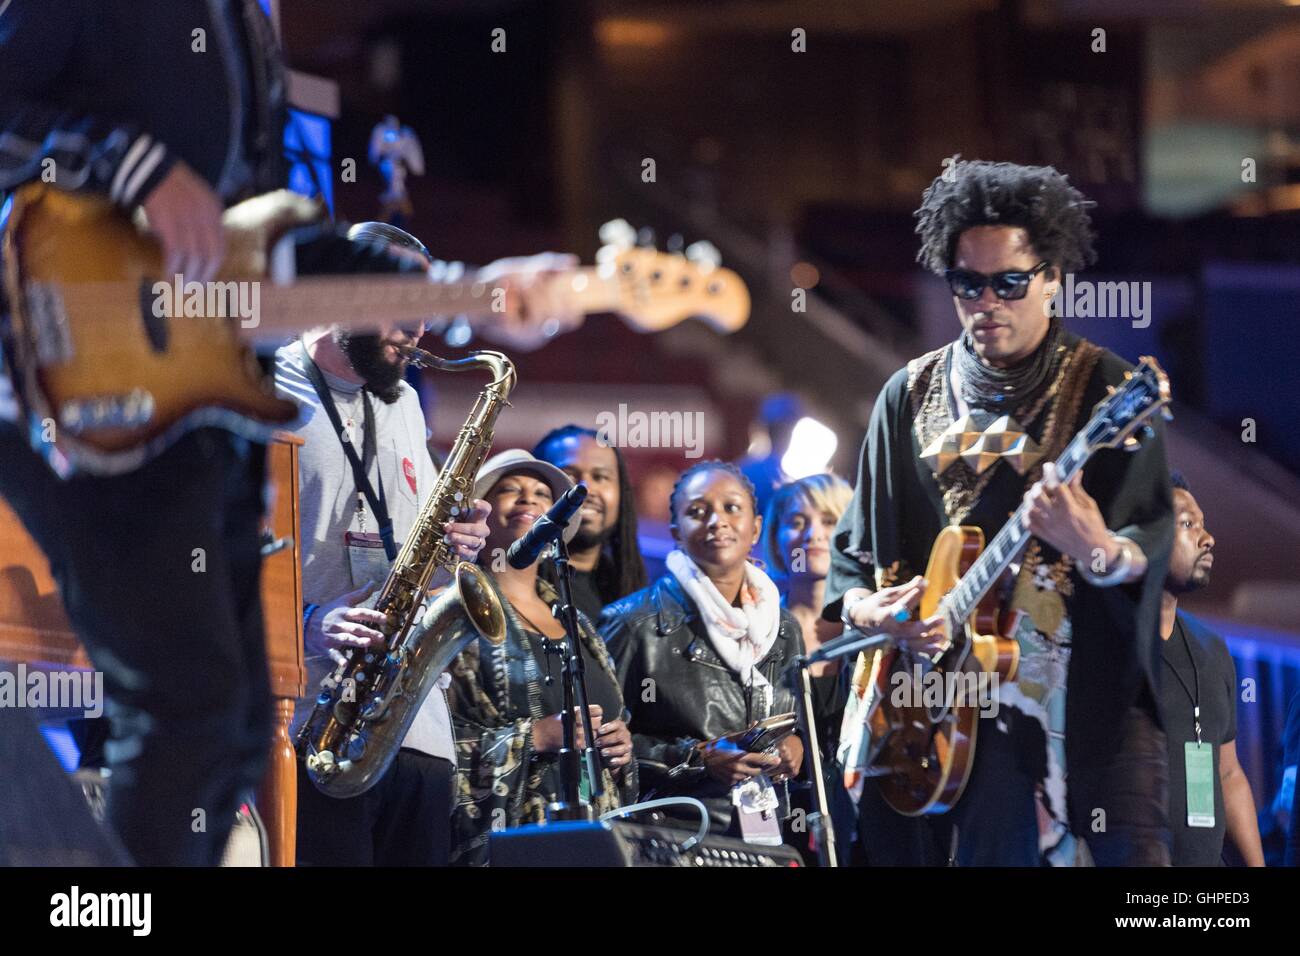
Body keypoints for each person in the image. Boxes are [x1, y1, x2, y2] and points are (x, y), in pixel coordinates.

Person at [0, 0, 574, 865]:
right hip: (69, 355)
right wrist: (135, 165)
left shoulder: (249, 34)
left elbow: (272, 246)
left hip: (181, 406)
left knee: (199, 710)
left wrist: (475, 290)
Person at [827, 160, 1174, 866]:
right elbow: (853, 561)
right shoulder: (907, 391)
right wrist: (874, 613)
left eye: (1009, 283)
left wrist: (1097, 545)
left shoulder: (1106, 387)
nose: (987, 303)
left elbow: (1155, 538)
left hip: (1085, 694)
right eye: (967, 284)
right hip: (936, 702)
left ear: (1051, 277)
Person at [278, 222, 492, 866]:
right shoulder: (266, 387)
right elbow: (221, 558)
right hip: (314, 724)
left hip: (416, 729)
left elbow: (418, 551)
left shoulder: (402, 403)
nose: (418, 330)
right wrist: (312, 624)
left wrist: (461, 542)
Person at [444, 450, 638, 866]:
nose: (528, 500)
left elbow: (615, 727)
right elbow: (433, 747)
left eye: (541, 494)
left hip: (588, 841)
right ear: (480, 512)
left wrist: (622, 749)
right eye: (510, 490)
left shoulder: (579, 624)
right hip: (509, 847)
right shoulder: (457, 615)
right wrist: (535, 738)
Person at [601, 460, 805, 842]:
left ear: (755, 527)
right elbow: (605, 746)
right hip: (670, 836)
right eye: (698, 511)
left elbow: (799, 725)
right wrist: (696, 759)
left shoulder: (785, 628)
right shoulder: (634, 623)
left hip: (765, 837)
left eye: (732, 507)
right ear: (676, 531)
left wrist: (797, 746)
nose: (717, 520)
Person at [1159, 473, 1264, 866]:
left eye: (1203, 525)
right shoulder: (1113, 648)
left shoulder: (1212, 648)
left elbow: (1228, 774)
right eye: (1188, 524)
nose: (1208, 538)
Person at [763, 472, 856, 862]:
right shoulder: (757, 624)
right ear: (776, 538)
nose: (812, 534)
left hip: (862, 819)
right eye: (797, 522)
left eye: (830, 520)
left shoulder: (870, 629)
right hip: (777, 821)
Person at [532, 425, 647, 621]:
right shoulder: (515, 583)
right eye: (569, 474)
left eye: (600, 477)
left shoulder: (638, 594)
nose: (586, 489)